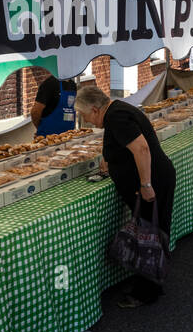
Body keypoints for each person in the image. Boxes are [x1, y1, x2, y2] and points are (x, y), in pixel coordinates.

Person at [74, 83, 176, 308]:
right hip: (156, 179)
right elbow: (124, 144)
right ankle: (151, 283)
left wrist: (146, 183)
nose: (86, 121)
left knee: (149, 236)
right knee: (151, 233)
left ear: (94, 109)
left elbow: (141, 149)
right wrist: (108, 157)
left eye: (84, 115)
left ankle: (146, 292)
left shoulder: (116, 117)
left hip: (153, 183)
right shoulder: (117, 110)